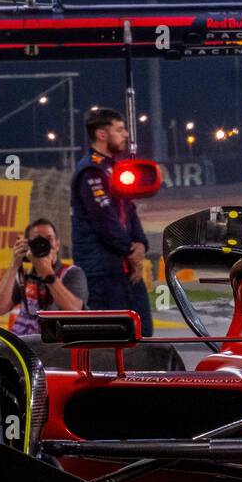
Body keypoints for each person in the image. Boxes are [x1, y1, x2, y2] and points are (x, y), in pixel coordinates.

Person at [70, 107, 152, 336]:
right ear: (102, 134)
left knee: (143, 332)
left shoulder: (114, 168)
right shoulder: (91, 171)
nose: (126, 134)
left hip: (124, 268)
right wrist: (130, 251)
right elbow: (104, 221)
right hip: (102, 272)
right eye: (120, 129)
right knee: (111, 339)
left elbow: (130, 210)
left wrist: (142, 244)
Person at [0, 217, 87, 335]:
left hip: (52, 347)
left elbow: (75, 311)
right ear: (28, 245)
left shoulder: (72, 273)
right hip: (22, 344)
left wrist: (47, 273)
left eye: (48, 239)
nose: (43, 244)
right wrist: (14, 265)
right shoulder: (25, 276)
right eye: (37, 240)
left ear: (57, 244)